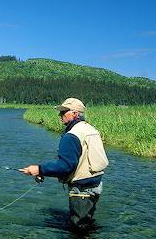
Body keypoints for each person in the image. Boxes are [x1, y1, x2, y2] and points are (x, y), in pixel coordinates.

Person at [20, 98, 108, 231]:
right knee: (87, 224)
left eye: (63, 112)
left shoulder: (71, 135)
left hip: (81, 189)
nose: (60, 115)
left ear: (74, 114)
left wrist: (39, 169)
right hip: (96, 185)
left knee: (78, 231)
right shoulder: (90, 129)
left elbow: (65, 166)